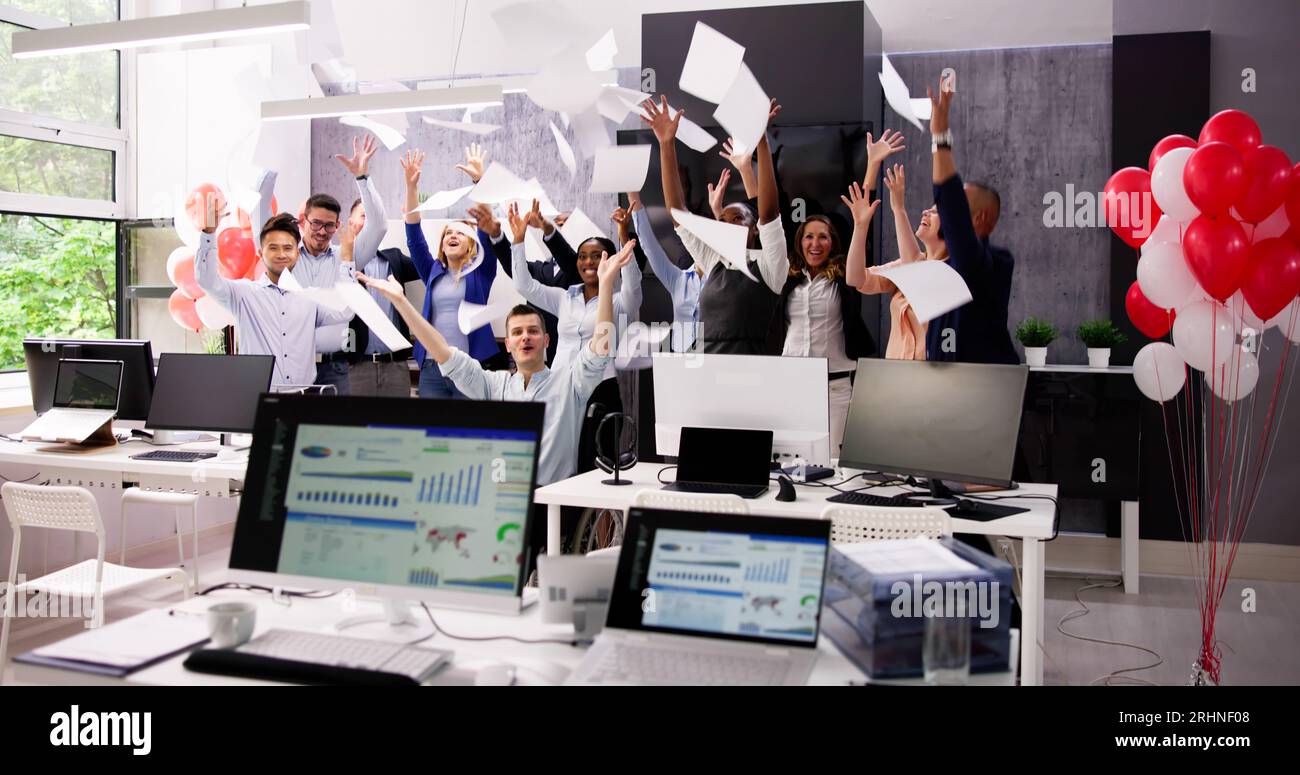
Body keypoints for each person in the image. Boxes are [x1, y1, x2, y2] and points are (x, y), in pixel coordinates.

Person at [357, 239, 636, 564]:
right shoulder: (494, 385)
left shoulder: (570, 381)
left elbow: (601, 347)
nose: (525, 337)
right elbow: (443, 352)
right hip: (505, 501)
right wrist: (403, 304)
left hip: (553, 502)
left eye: (533, 331)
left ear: (546, 340)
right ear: (509, 346)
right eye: (516, 333)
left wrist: (605, 286)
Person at [643, 95, 788, 355]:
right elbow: (678, 213)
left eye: (737, 218)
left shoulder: (769, 264)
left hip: (751, 374)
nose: (728, 224)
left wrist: (762, 141)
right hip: (707, 373)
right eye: (722, 220)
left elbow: (768, 211)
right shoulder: (714, 261)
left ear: (754, 228)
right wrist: (666, 143)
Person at [508, 200, 642, 473]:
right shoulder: (563, 297)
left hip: (600, 388)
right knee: (561, 460)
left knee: (595, 463)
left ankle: (596, 517)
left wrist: (623, 236)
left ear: (611, 259)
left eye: (597, 255)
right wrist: (518, 240)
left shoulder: (620, 302)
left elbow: (633, 284)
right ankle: (560, 516)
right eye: (582, 256)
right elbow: (524, 285)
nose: (588, 261)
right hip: (560, 387)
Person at [195, 206, 353, 389]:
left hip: (304, 399)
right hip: (259, 399)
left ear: (297, 254)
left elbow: (346, 311)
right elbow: (207, 280)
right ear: (261, 254)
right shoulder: (244, 294)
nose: (281, 254)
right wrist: (208, 234)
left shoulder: (309, 298)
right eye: (273, 248)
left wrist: (347, 258)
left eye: (288, 248)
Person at [767, 208, 876, 456]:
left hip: (834, 389)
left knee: (833, 463)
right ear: (800, 242)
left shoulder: (844, 279)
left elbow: (860, 254)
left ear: (833, 242)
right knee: (790, 463)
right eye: (809, 237)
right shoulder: (789, 278)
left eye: (823, 237)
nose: (815, 244)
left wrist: (862, 220)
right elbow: (769, 230)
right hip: (791, 383)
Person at [926, 75, 1017, 364]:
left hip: (984, 389)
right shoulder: (944, 265)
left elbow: (951, 206)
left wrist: (940, 137)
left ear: (980, 217)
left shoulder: (991, 262)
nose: (943, 212)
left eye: (954, 209)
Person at [398, 149, 498, 398]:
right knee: (432, 433)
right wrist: (411, 188)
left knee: (467, 433)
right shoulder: (433, 271)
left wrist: (479, 182)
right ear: (442, 243)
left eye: (460, 232)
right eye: (448, 233)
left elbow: (486, 228)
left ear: (471, 243)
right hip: (432, 367)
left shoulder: (481, 272)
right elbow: (413, 235)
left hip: (468, 367)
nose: (453, 235)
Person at [847, 164, 950, 360]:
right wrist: (860, 227)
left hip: (932, 376)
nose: (926, 212)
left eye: (936, 212)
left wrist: (899, 209)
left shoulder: (952, 271)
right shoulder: (905, 264)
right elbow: (855, 278)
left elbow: (915, 271)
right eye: (928, 209)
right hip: (896, 374)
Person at [341, 187, 419, 396]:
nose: (370, 223)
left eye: (374, 218)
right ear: (351, 223)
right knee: (356, 427)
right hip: (357, 366)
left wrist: (413, 223)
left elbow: (425, 267)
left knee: (397, 426)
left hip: (395, 365)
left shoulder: (393, 258)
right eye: (365, 216)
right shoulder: (339, 261)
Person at [619, 191, 703, 353]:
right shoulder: (679, 280)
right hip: (679, 361)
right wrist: (634, 198)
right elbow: (650, 248)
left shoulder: (722, 280)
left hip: (714, 361)